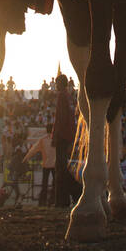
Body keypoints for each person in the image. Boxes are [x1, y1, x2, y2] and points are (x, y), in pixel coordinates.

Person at [52, 73, 80, 207]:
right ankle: (69, 197)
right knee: (64, 168)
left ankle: (64, 200)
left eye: (57, 83)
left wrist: (55, 136)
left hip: (62, 136)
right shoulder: (68, 96)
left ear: (60, 84)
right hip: (68, 136)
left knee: (61, 169)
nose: (55, 86)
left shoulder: (61, 96)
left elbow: (60, 119)